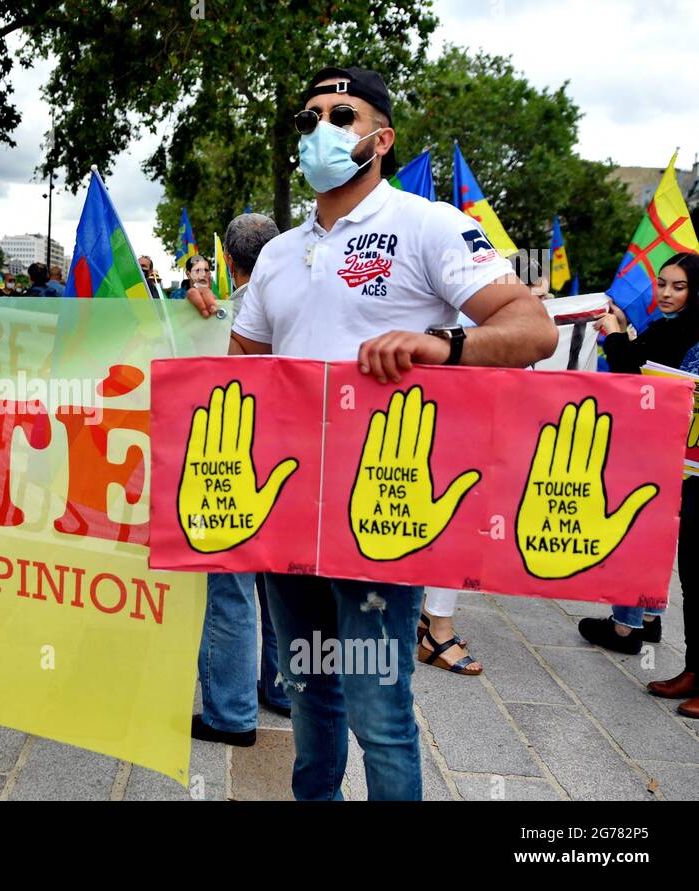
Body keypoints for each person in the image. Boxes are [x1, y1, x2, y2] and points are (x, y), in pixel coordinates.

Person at [186, 66, 556, 799]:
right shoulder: (281, 254)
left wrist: (441, 346)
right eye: (308, 116)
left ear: (380, 138)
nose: (320, 127)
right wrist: (197, 319)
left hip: (380, 515)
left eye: (341, 114)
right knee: (309, 692)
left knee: (378, 709)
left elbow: (532, 328)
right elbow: (244, 372)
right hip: (289, 514)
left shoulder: (429, 226)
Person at [579, 255, 699, 720]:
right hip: (676, 463)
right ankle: (692, 668)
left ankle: (634, 626)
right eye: (663, 284)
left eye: (679, 287)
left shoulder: (684, 328)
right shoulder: (671, 325)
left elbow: (633, 366)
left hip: (685, 464)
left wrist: (613, 334)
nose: (667, 294)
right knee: (688, 571)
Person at [190, 213, 287, 747]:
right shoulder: (300, 302)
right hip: (290, 462)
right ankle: (283, 687)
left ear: (228, 261)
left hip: (231, 464)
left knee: (230, 588)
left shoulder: (226, 316)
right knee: (279, 585)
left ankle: (230, 713)